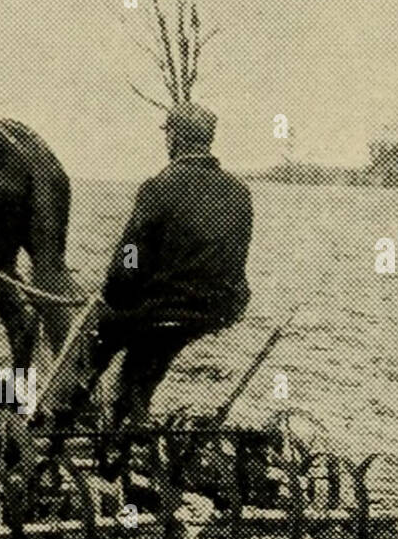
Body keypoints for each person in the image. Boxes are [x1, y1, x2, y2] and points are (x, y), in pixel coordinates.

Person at [54, 101, 253, 428]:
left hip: (166, 308)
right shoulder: (239, 191)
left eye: (168, 133)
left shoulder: (159, 187)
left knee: (101, 334)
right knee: (146, 360)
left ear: (174, 137)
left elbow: (131, 253)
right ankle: (129, 416)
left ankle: (67, 414)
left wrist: (112, 292)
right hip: (220, 306)